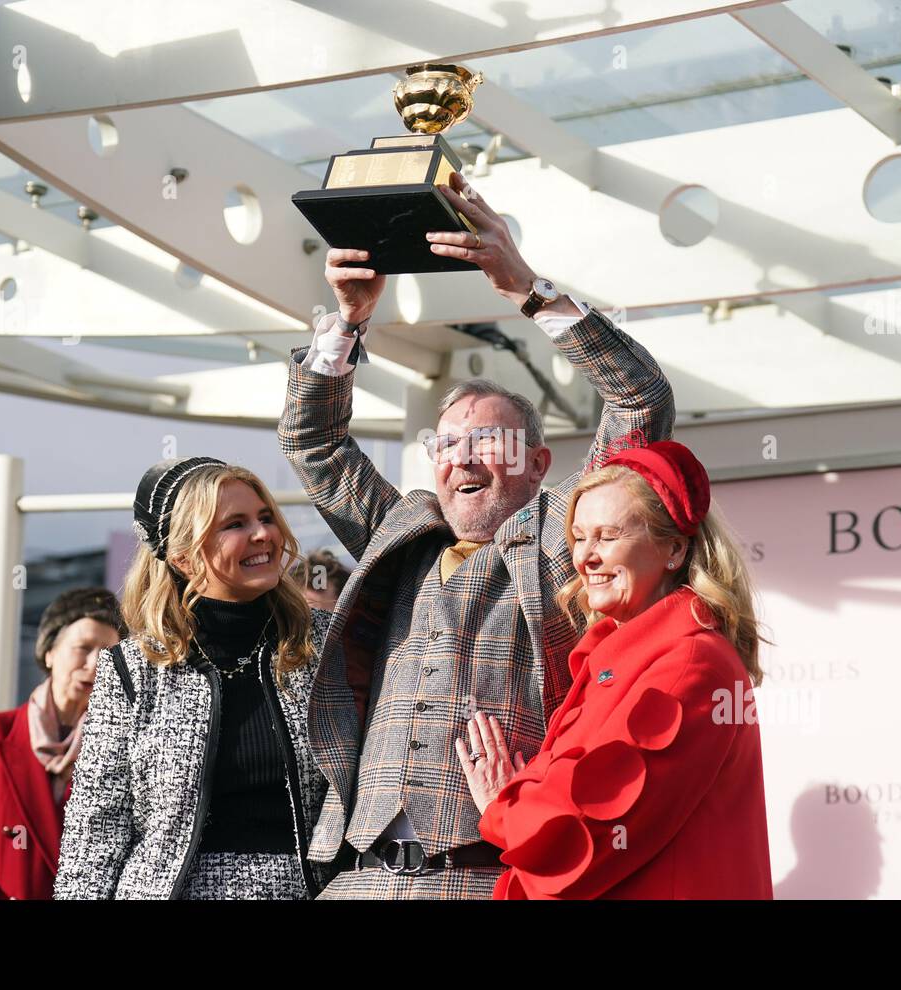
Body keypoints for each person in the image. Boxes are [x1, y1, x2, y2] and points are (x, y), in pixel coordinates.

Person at [278, 170, 676, 898]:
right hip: (356, 882)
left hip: (483, 878)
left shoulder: (563, 538)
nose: (463, 458)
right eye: (449, 444)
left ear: (538, 465)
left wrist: (528, 288)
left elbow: (639, 401)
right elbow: (315, 444)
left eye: (489, 443)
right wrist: (347, 321)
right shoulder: (399, 534)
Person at [458, 438, 773, 898]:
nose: (585, 557)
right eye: (579, 537)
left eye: (607, 536)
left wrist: (503, 808)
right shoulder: (618, 657)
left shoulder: (690, 663)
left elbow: (583, 826)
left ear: (675, 550)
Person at [55, 458, 332, 900]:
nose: (263, 534)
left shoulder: (322, 645)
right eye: (235, 524)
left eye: (265, 517)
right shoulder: (132, 669)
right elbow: (95, 832)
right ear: (183, 556)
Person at [0, 587, 126, 899]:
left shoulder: (123, 748)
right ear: (49, 653)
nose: (95, 664)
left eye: (108, 653)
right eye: (83, 647)